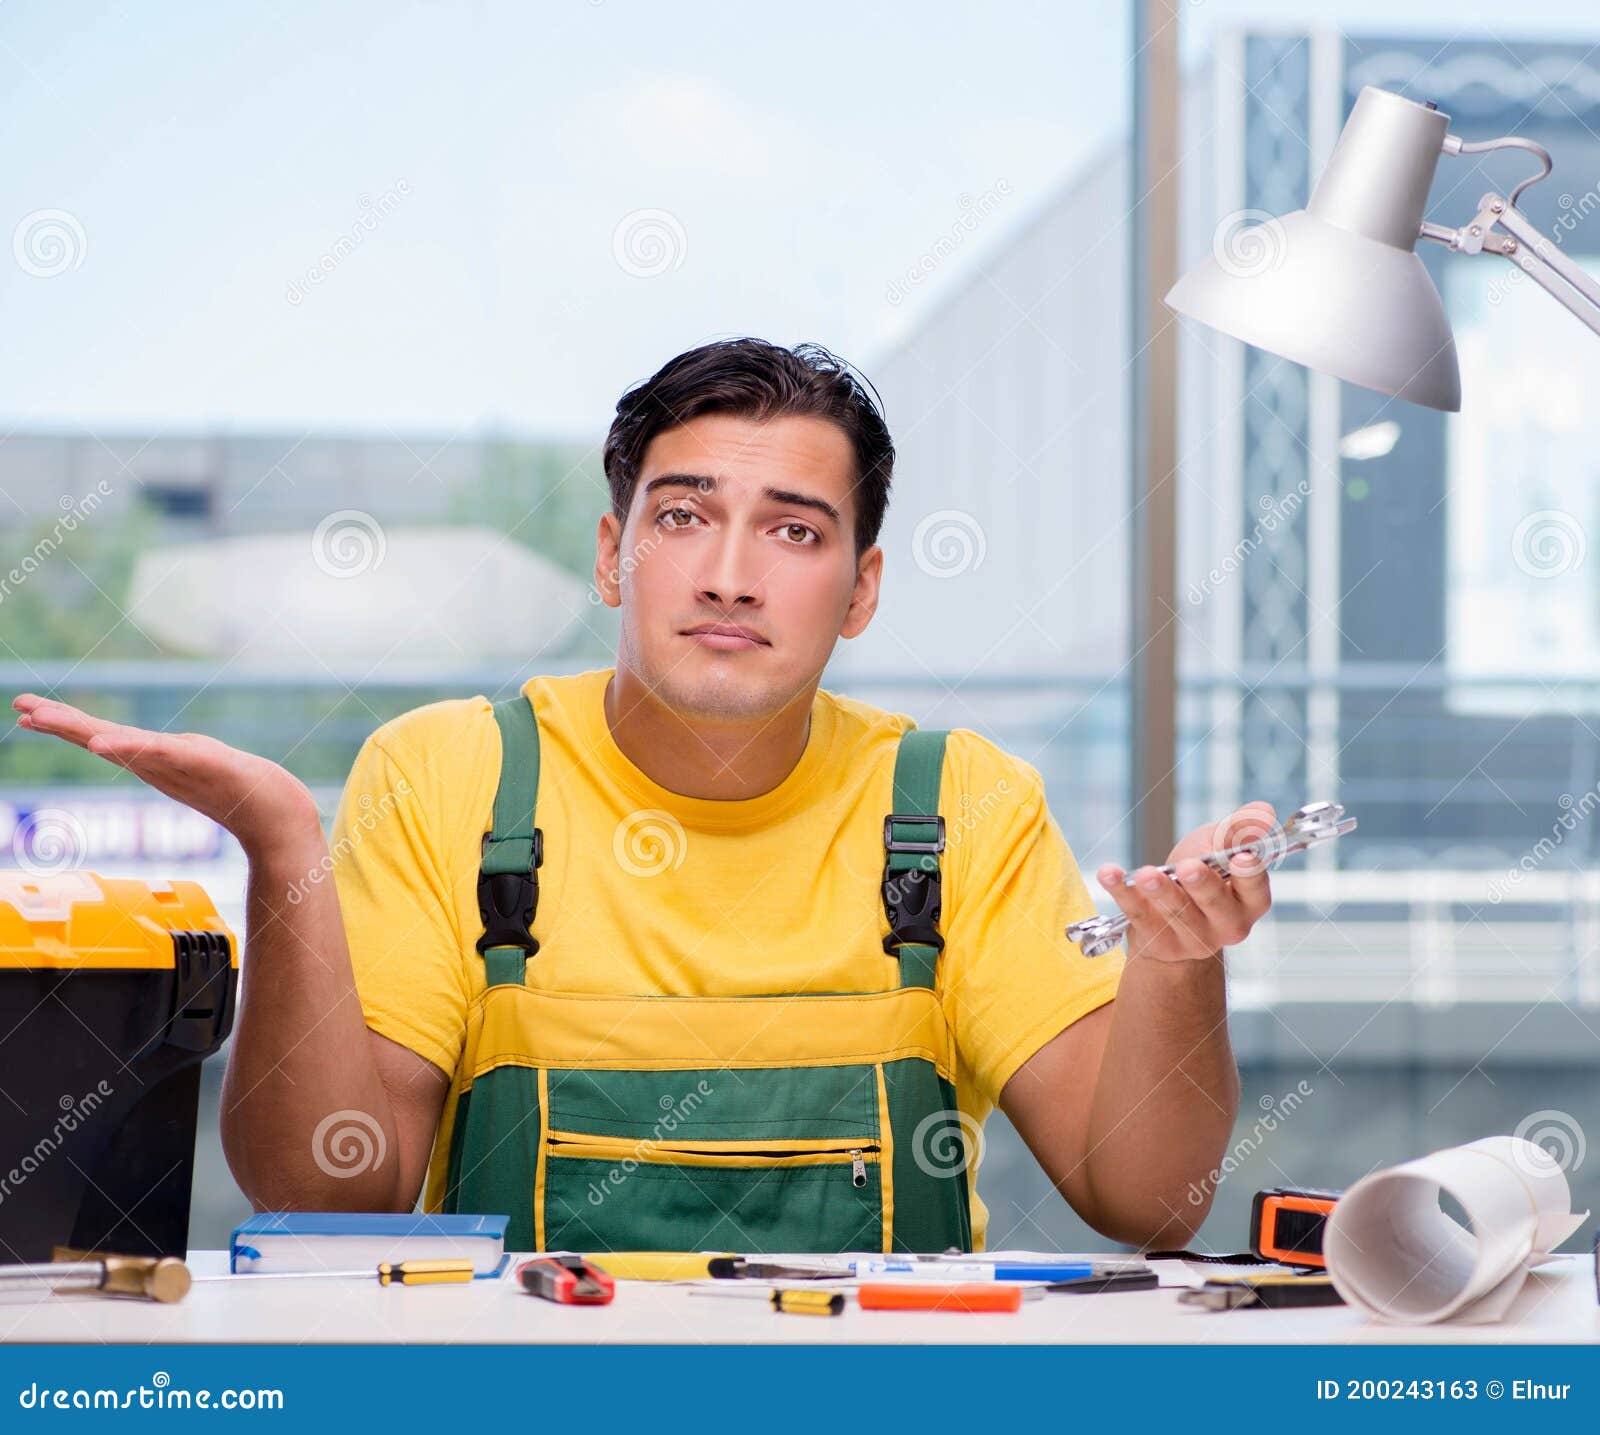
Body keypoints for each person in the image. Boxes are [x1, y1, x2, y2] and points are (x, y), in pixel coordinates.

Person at [12, 338, 1274, 1253]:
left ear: (864, 586)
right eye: (682, 516)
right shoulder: (453, 774)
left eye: (793, 531)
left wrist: (1177, 964)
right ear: (614, 557)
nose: (730, 575)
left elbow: (1145, 1204)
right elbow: (334, 1193)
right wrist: (283, 847)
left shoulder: (957, 806)